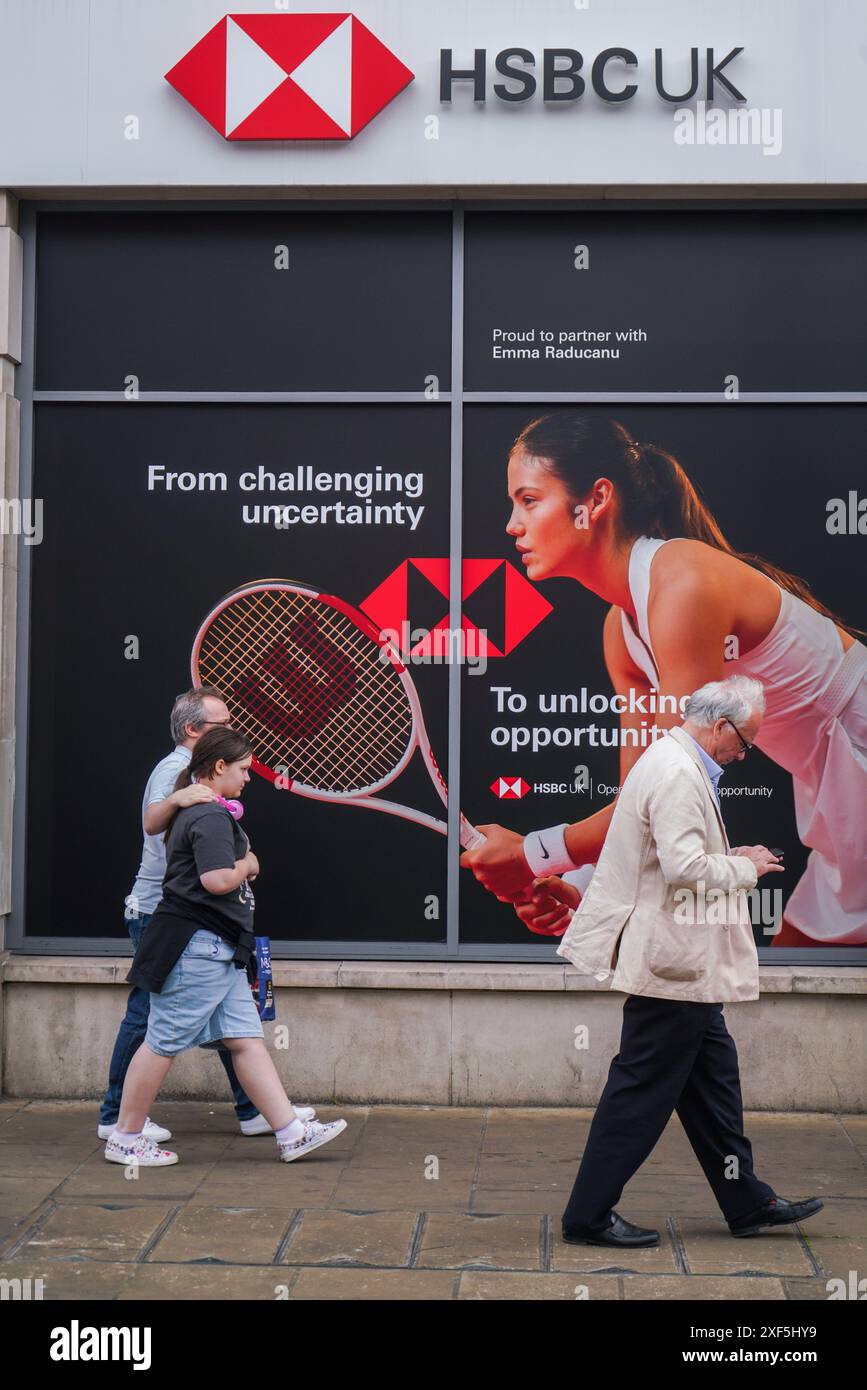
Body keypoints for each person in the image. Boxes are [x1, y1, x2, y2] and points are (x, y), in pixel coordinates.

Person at [460, 411, 867, 945]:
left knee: (787, 993)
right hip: (835, 789)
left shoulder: (683, 583)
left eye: (530, 500)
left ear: (596, 501)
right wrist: (579, 886)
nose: (512, 524)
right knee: (788, 993)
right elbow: (640, 797)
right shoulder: (620, 631)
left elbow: (674, 791)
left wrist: (535, 853)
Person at [538, 675, 823, 1246]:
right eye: (743, 741)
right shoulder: (675, 772)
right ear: (719, 725)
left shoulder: (673, 762)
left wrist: (730, 855)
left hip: (682, 966)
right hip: (675, 967)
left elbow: (680, 858)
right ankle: (587, 1216)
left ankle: (747, 1202)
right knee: (639, 1093)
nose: (744, 754)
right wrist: (745, 868)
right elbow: (685, 870)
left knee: (714, 1091)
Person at [104, 726, 347, 1167]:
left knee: (246, 1040)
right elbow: (216, 880)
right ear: (218, 767)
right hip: (197, 948)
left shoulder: (198, 810)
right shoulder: (209, 816)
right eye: (243, 769)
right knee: (161, 1041)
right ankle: (124, 1137)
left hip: (214, 950)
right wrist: (249, 864)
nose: (248, 778)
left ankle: (291, 1132)